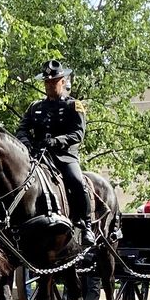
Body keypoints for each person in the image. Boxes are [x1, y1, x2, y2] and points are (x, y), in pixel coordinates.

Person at [15, 59, 94, 249]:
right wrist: (27, 143)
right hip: (39, 156)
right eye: (47, 82)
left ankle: (86, 225)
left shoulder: (73, 105)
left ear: (63, 81)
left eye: (54, 81)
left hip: (64, 157)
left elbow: (77, 134)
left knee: (76, 181)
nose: (50, 85)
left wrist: (56, 141)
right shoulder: (35, 107)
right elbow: (22, 129)